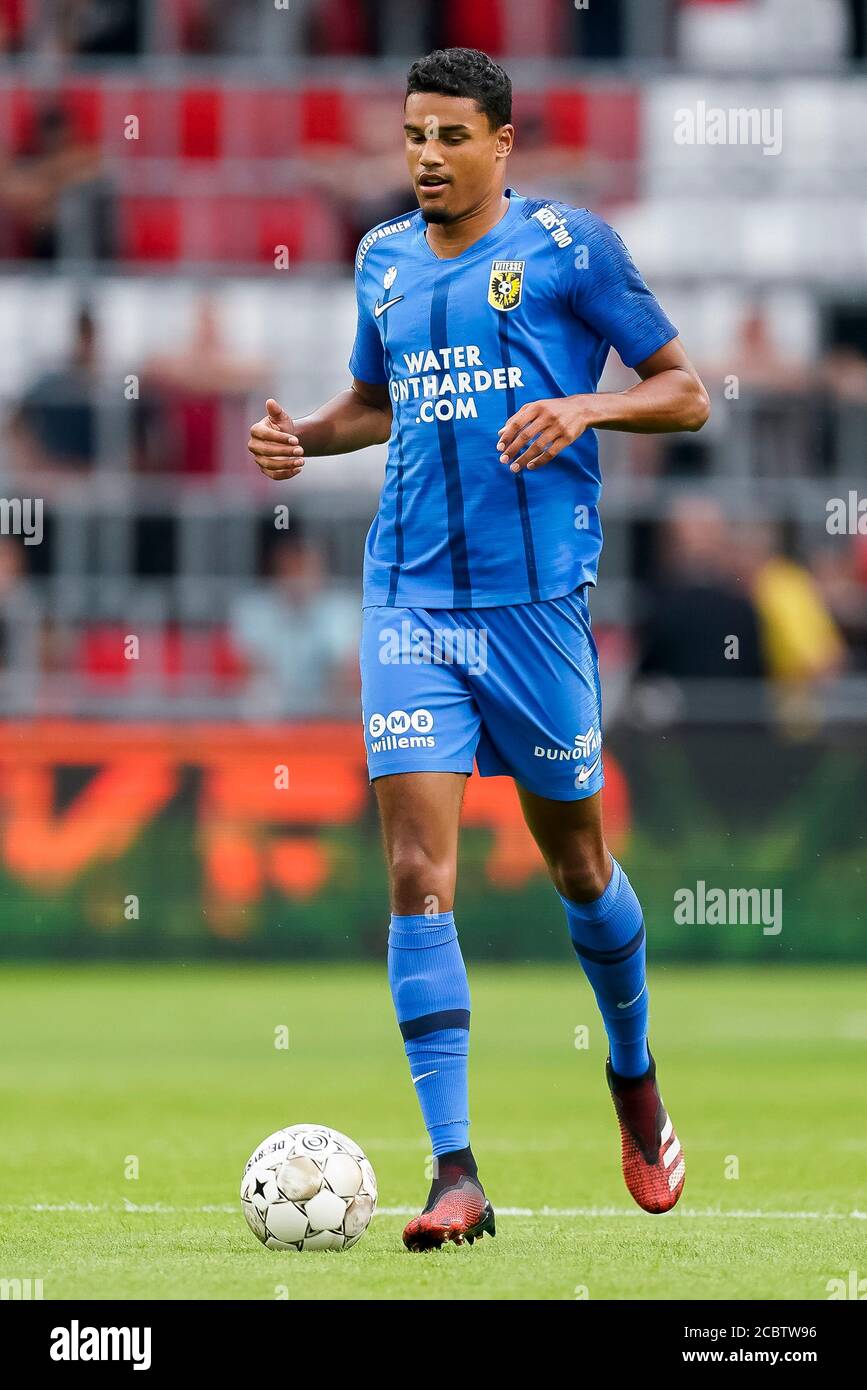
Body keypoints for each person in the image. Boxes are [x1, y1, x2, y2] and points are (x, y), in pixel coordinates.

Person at [247, 47, 710, 1251]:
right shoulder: (382, 260)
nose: (428, 158)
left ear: (503, 143)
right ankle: (456, 1170)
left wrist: (587, 405)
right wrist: (306, 434)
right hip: (408, 604)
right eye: (413, 136)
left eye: (452, 136)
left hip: (537, 611)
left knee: (578, 866)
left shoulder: (570, 252)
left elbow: (687, 390)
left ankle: (633, 1069)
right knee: (414, 871)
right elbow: (375, 402)